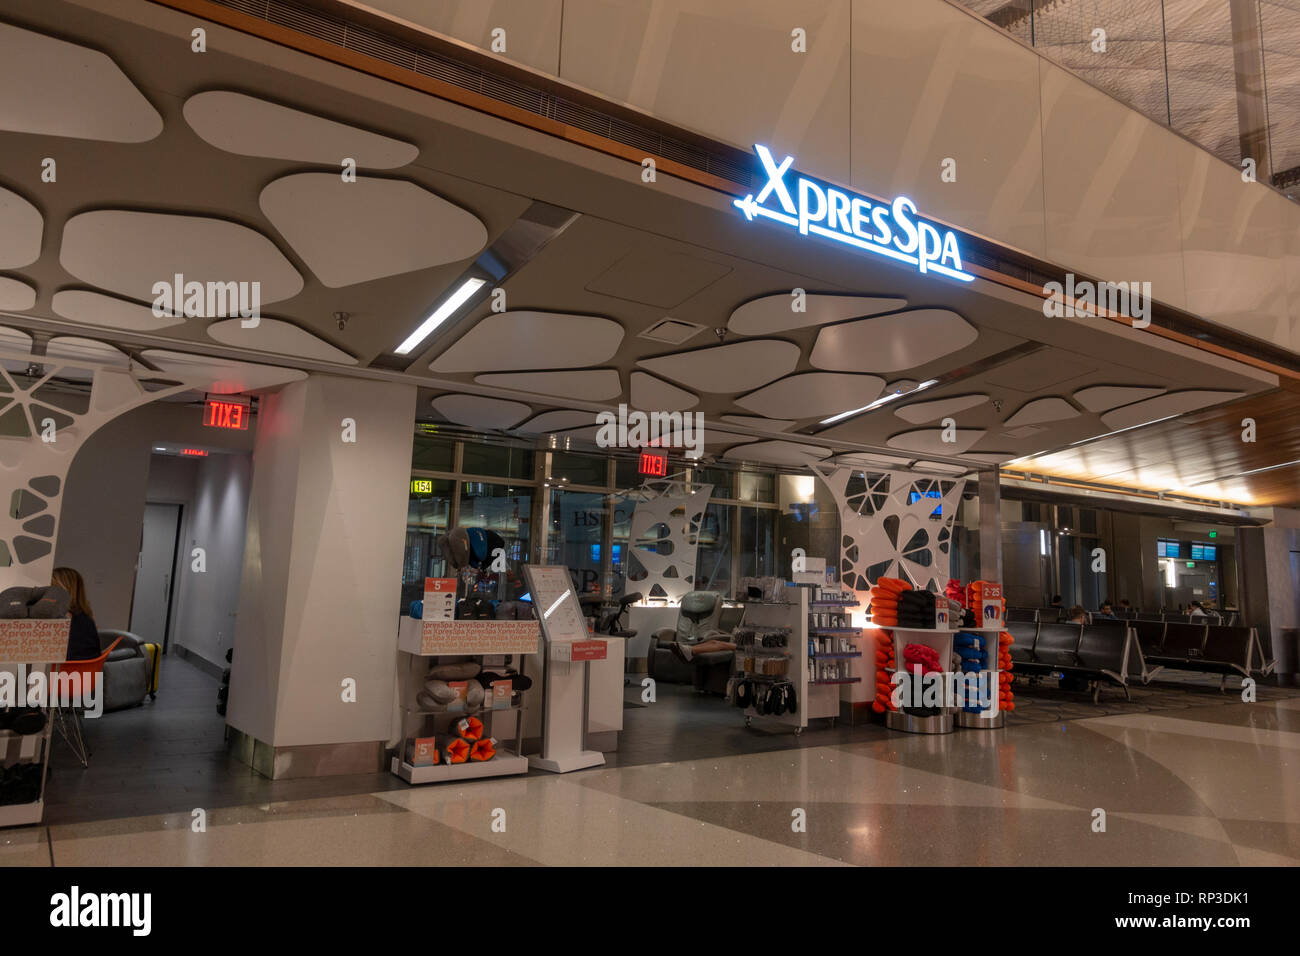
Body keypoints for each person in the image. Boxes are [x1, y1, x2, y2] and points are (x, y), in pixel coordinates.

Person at [52, 567, 99, 661]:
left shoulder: (64, 618)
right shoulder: (85, 618)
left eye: (51, 588)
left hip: (68, 672)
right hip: (86, 672)